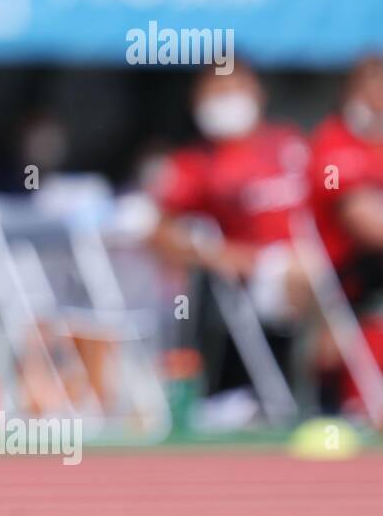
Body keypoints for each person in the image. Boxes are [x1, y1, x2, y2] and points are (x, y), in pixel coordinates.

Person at [146, 63, 310, 421]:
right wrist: (218, 253)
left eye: (235, 89)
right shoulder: (195, 163)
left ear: (257, 93)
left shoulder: (288, 144)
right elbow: (159, 232)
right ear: (197, 101)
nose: (228, 101)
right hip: (255, 275)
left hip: (319, 262)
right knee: (310, 276)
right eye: (217, 92)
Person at [306, 54, 383, 414]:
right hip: (347, 271)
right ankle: (335, 404)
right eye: (370, 84)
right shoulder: (334, 144)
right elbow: (368, 225)